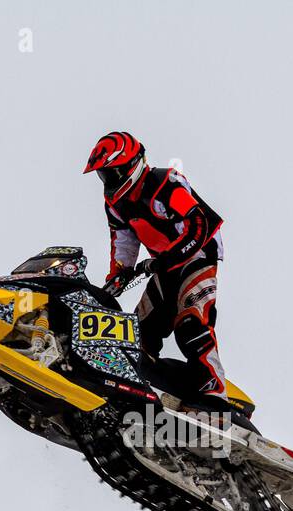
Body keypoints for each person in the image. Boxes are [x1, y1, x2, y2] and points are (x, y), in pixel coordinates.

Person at [82, 131, 229, 405]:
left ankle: (214, 395)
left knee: (191, 321)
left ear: (130, 165)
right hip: (166, 264)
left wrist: (171, 258)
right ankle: (138, 384)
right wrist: (117, 276)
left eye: (111, 173)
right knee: (136, 331)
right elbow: (123, 242)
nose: (108, 182)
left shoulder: (166, 182)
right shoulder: (116, 205)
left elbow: (200, 224)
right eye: (103, 176)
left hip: (198, 256)